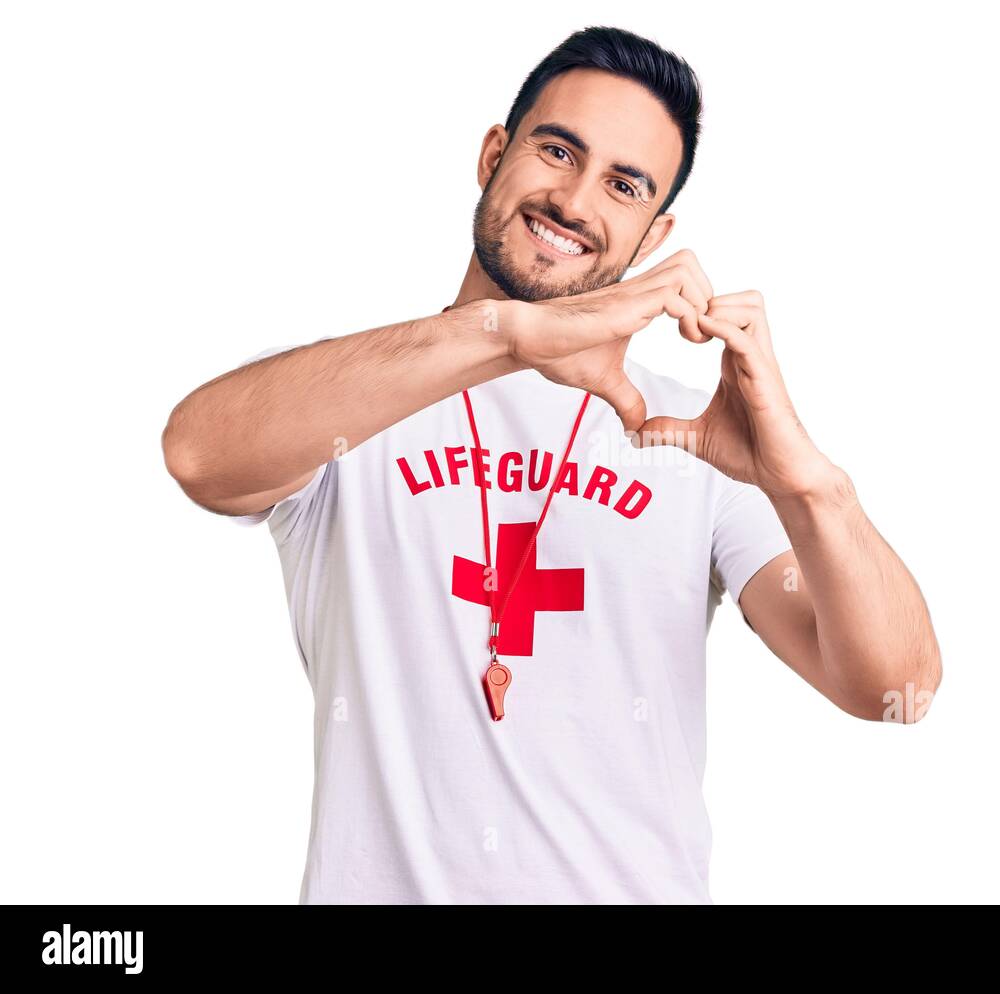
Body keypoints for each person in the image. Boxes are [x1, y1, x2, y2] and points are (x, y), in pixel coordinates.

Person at [162, 25, 941, 904]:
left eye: (623, 184)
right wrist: (509, 334)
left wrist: (810, 485)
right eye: (557, 149)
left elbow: (898, 689)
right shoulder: (353, 396)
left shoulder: (696, 433)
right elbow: (196, 453)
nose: (573, 200)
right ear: (495, 152)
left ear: (654, 234)